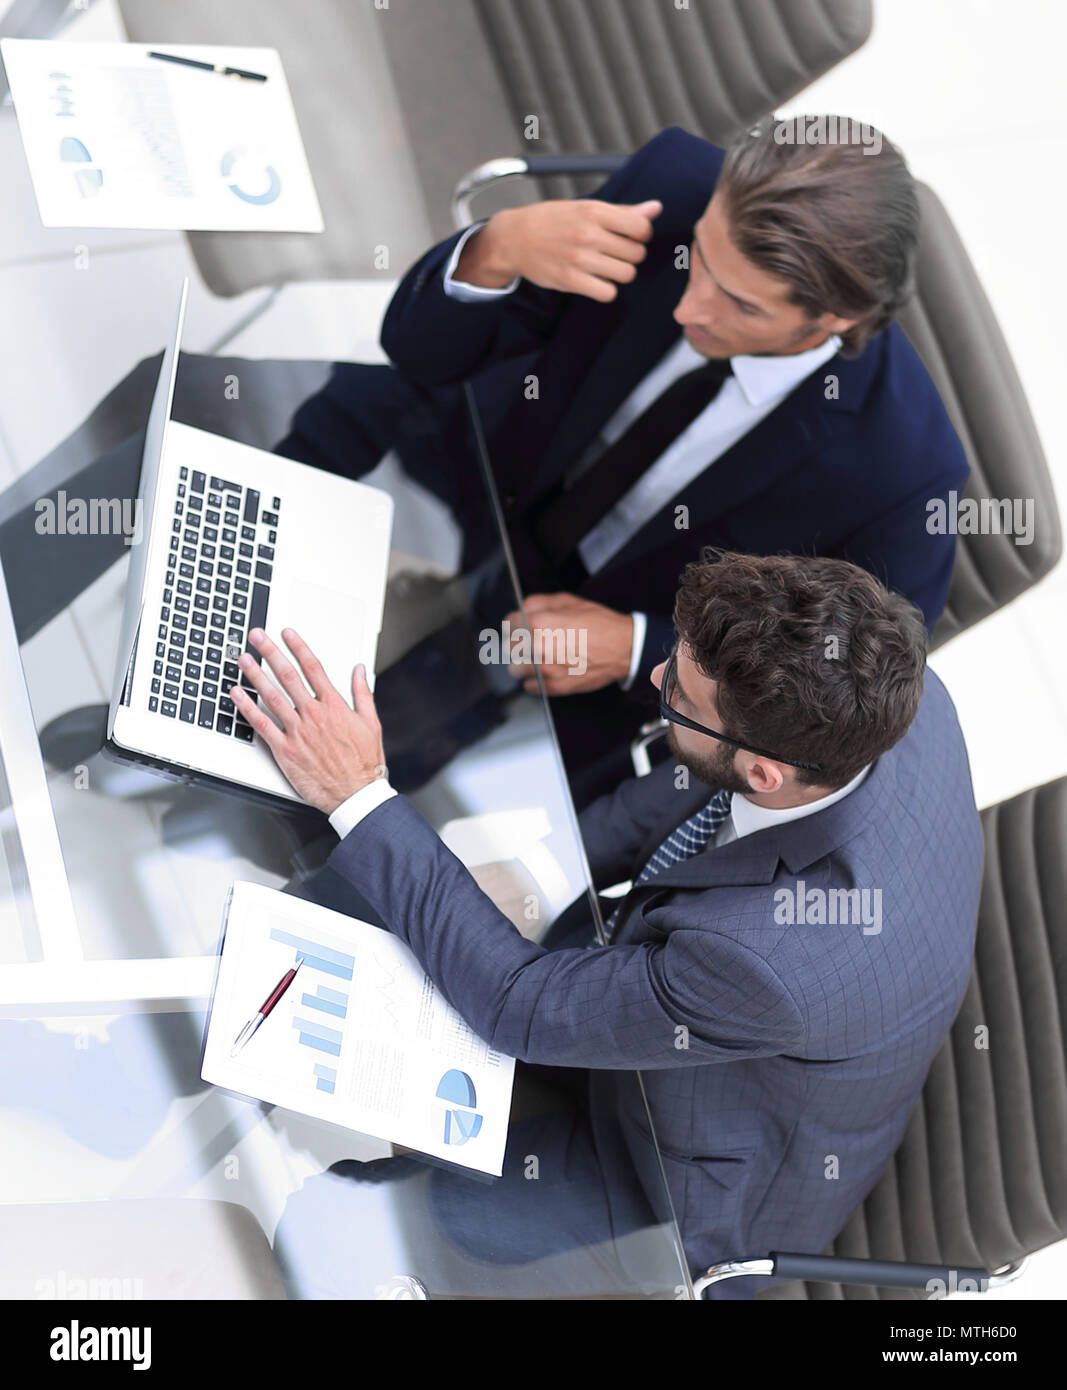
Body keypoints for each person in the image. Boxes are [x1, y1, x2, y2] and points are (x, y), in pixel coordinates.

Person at [225, 550, 983, 1298]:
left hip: (664, 1185)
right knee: (338, 913)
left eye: (678, 696)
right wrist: (544, 872)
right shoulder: (891, 692)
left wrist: (357, 793)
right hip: (687, 1000)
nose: (655, 680)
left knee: (334, 1229)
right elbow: (700, 786)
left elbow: (517, 1006)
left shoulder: (774, 959)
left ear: (766, 772)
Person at [277, 116, 969, 804]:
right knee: (242, 557)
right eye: (700, 255)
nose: (689, 305)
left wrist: (642, 649)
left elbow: (844, 695)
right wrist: (495, 248)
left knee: (345, 791)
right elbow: (419, 350)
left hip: (572, 662)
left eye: (739, 304)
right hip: (460, 471)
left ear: (836, 319)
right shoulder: (670, 191)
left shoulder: (904, 473)